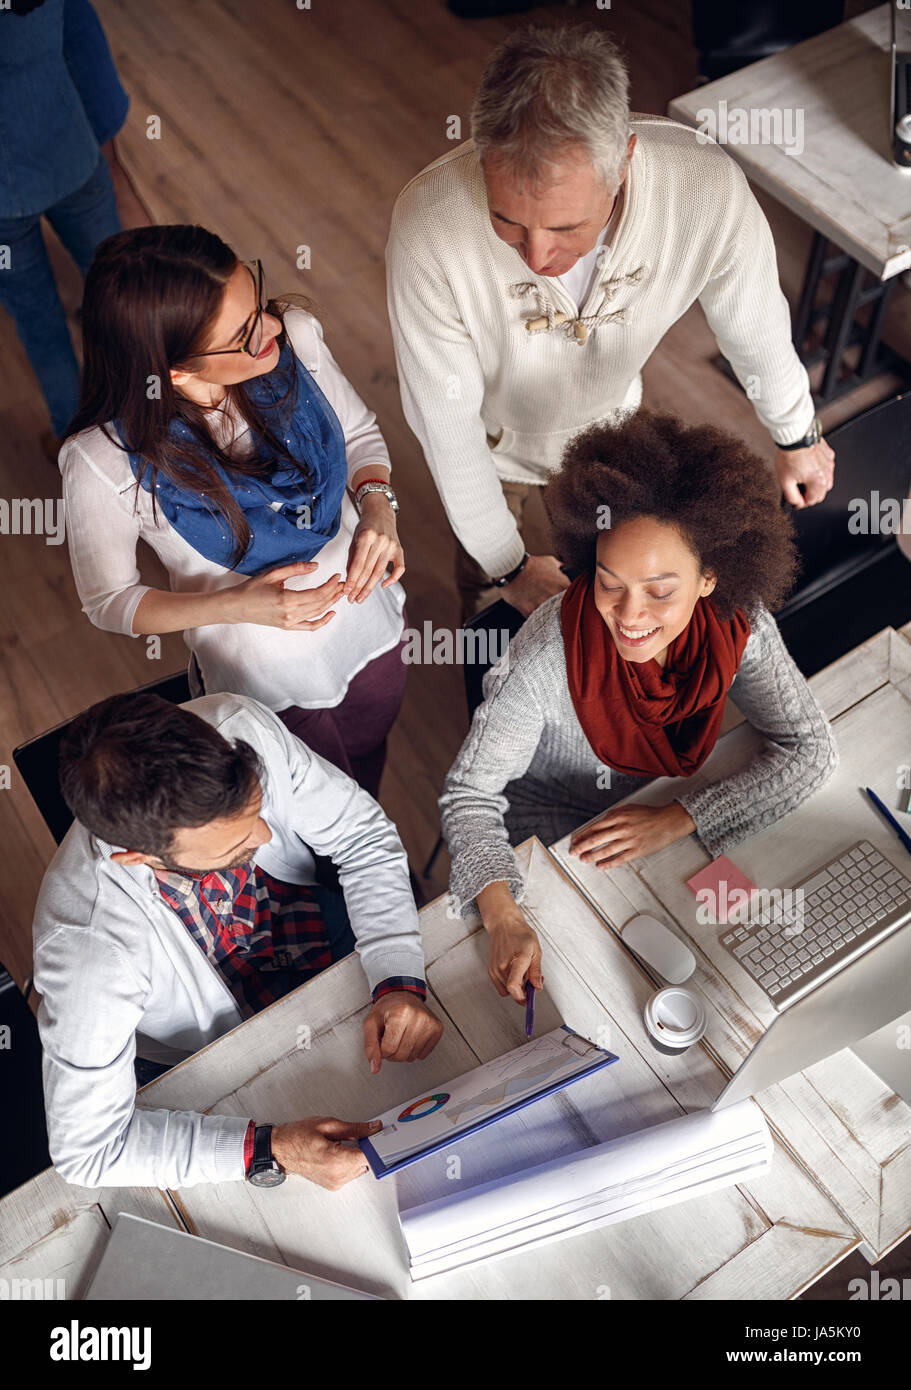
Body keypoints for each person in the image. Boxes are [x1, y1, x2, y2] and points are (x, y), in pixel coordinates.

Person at [386, 24, 835, 621]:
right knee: (490, 605)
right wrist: (507, 568)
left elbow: (755, 325)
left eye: (566, 227)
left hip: (614, 427)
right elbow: (446, 426)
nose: (537, 256)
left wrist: (795, 433)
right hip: (491, 448)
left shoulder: (705, 189)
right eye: (507, 221)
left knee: (619, 588)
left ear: (623, 160)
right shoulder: (429, 232)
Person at [439, 410, 839, 1003]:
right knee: (601, 993)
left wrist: (679, 817)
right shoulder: (545, 657)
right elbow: (469, 797)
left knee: (746, 957)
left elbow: (811, 749)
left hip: (671, 811)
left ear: (709, 579)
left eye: (660, 591)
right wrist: (502, 917)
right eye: (609, 583)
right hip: (558, 831)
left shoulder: (741, 623)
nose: (629, 617)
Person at [32, 690, 443, 1190]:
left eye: (256, 809)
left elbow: (362, 838)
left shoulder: (239, 727)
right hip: (212, 1049)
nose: (266, 836)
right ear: (140, 858)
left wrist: (397, 977)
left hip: (319, 934)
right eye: (235, 842)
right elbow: (89, 1150)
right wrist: (271, 1149)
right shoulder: (86, 949)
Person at [61, 224, 406, 801]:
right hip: (263, 680)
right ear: (175, 372)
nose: (272, 329)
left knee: (368, 764)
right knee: (318, 810)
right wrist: (236, 605)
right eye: (244, 335)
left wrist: (379, 506)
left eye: (256, 304)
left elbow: (358, 435)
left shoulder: (296, 335)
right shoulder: (103, 460)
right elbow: (109, 600)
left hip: (371, 627)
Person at [0, 0, 124, 454]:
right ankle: (147, 417)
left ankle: (75, 441)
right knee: (123, 290)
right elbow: (80, 46)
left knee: (39, 319)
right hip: (72, 152)